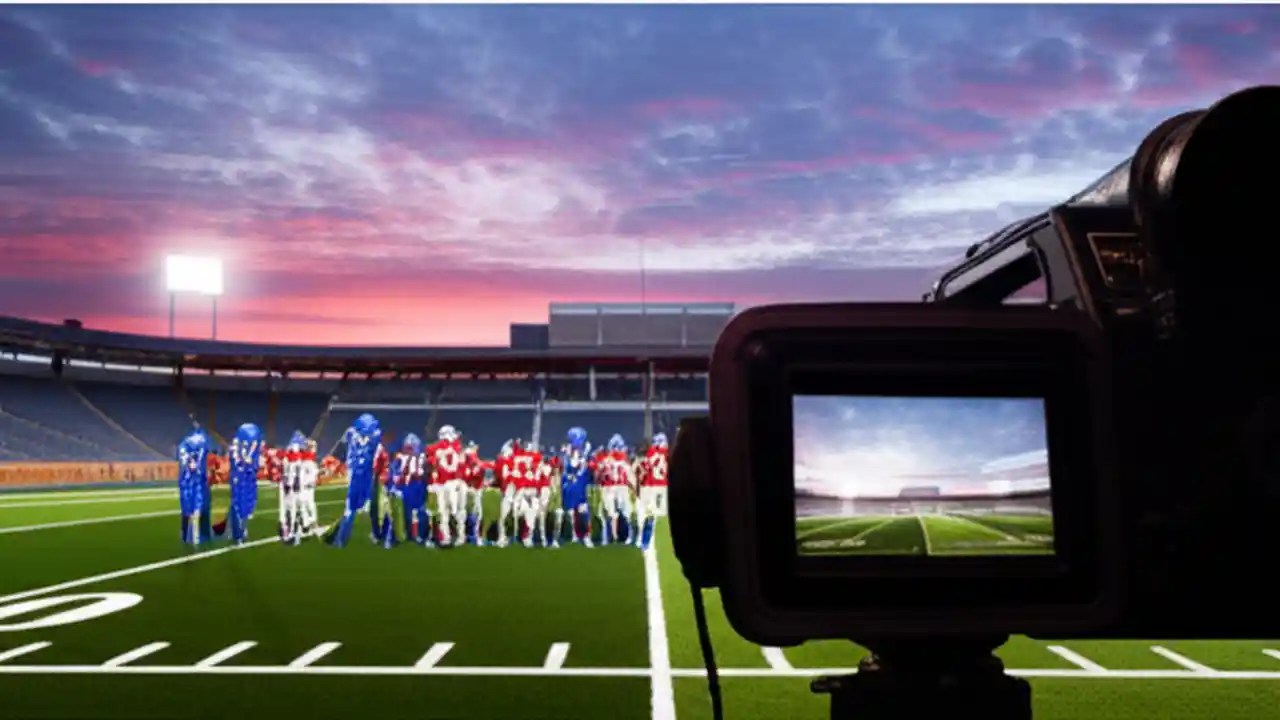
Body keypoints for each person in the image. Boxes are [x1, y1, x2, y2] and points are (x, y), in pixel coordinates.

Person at [326, 413, 382, 548]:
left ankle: (340, 540)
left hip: (355, 474)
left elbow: (342, 447)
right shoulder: (375, 436)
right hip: (367, 474)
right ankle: (378, 535)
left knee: (351, 509)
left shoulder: (351, 433)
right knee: (371, 507)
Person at [427, 425, 467, 546]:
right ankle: (460, 536)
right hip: (455, 482)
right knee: (458, 511)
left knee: (443, 512)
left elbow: (431, 463)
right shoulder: (457, 446)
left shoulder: (434, 448)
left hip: (442, 484)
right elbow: (462, 463)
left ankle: (446, 537)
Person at [554, 427, 594, 548]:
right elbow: (562, 471)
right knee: (570, 514)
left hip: (580, 488)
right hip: (569, 488)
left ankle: (586, 536)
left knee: (584, 513)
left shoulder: (585, 454)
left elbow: (587, 470)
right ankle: (573, 536)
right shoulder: (566, 455)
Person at [634, 432, 670, 551]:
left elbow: (644, 470)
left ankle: (644, 541)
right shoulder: (667, 454)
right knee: (664, 514)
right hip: (664, 486)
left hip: (652, 487)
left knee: (651, 515)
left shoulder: (651, 454)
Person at [228, 423, 263, 545]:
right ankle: (238, 533)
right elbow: (242, 461)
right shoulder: (239, 447)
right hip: (240, 477)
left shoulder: (236, 445)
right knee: (240, 505)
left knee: (240, 504)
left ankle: (238, 531)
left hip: (240, 477)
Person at [597, 434, 634, 545]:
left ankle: (613, 537)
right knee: (613, 514)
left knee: (618, 514)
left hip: (614, 487)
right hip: (613, 487)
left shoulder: (609, 461)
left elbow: (598, 476)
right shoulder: (612, 462)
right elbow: (599, 476)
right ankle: (612, 537)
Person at [177, 429, 209, 547]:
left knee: (196, 512)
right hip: (188, 486)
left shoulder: (199, 456)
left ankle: (195, 537)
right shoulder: (186, 451)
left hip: (196, 485)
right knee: (187, 513)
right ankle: (185, 535)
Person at [494, 439, 521, 547]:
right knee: (504, 516)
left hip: (514, 492)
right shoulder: (503, 462)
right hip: (508, 492)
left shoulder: (510, 461)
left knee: (513, 516)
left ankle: (513, 537)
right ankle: (502, 537)